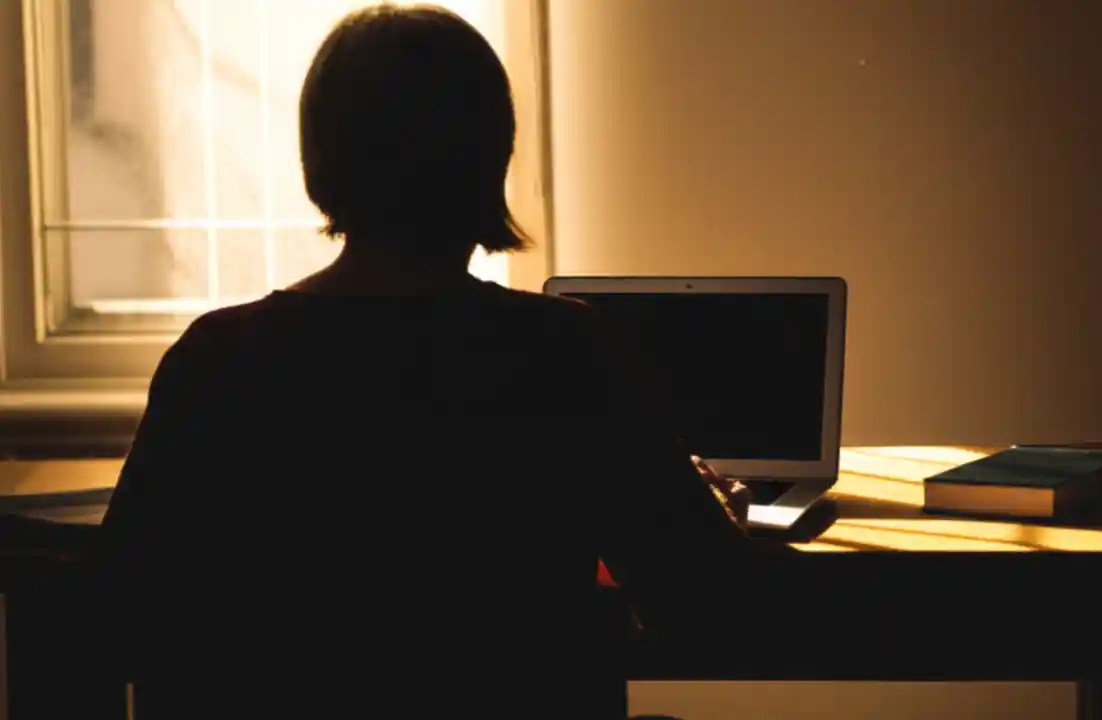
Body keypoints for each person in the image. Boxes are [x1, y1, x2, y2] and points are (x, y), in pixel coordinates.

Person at [77, 4, 791, 718]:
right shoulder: (567, 353)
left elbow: (120, 621)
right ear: (493, 160)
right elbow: (711, 615)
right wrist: (700, 525)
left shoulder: (218, 358)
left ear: (317, 163)